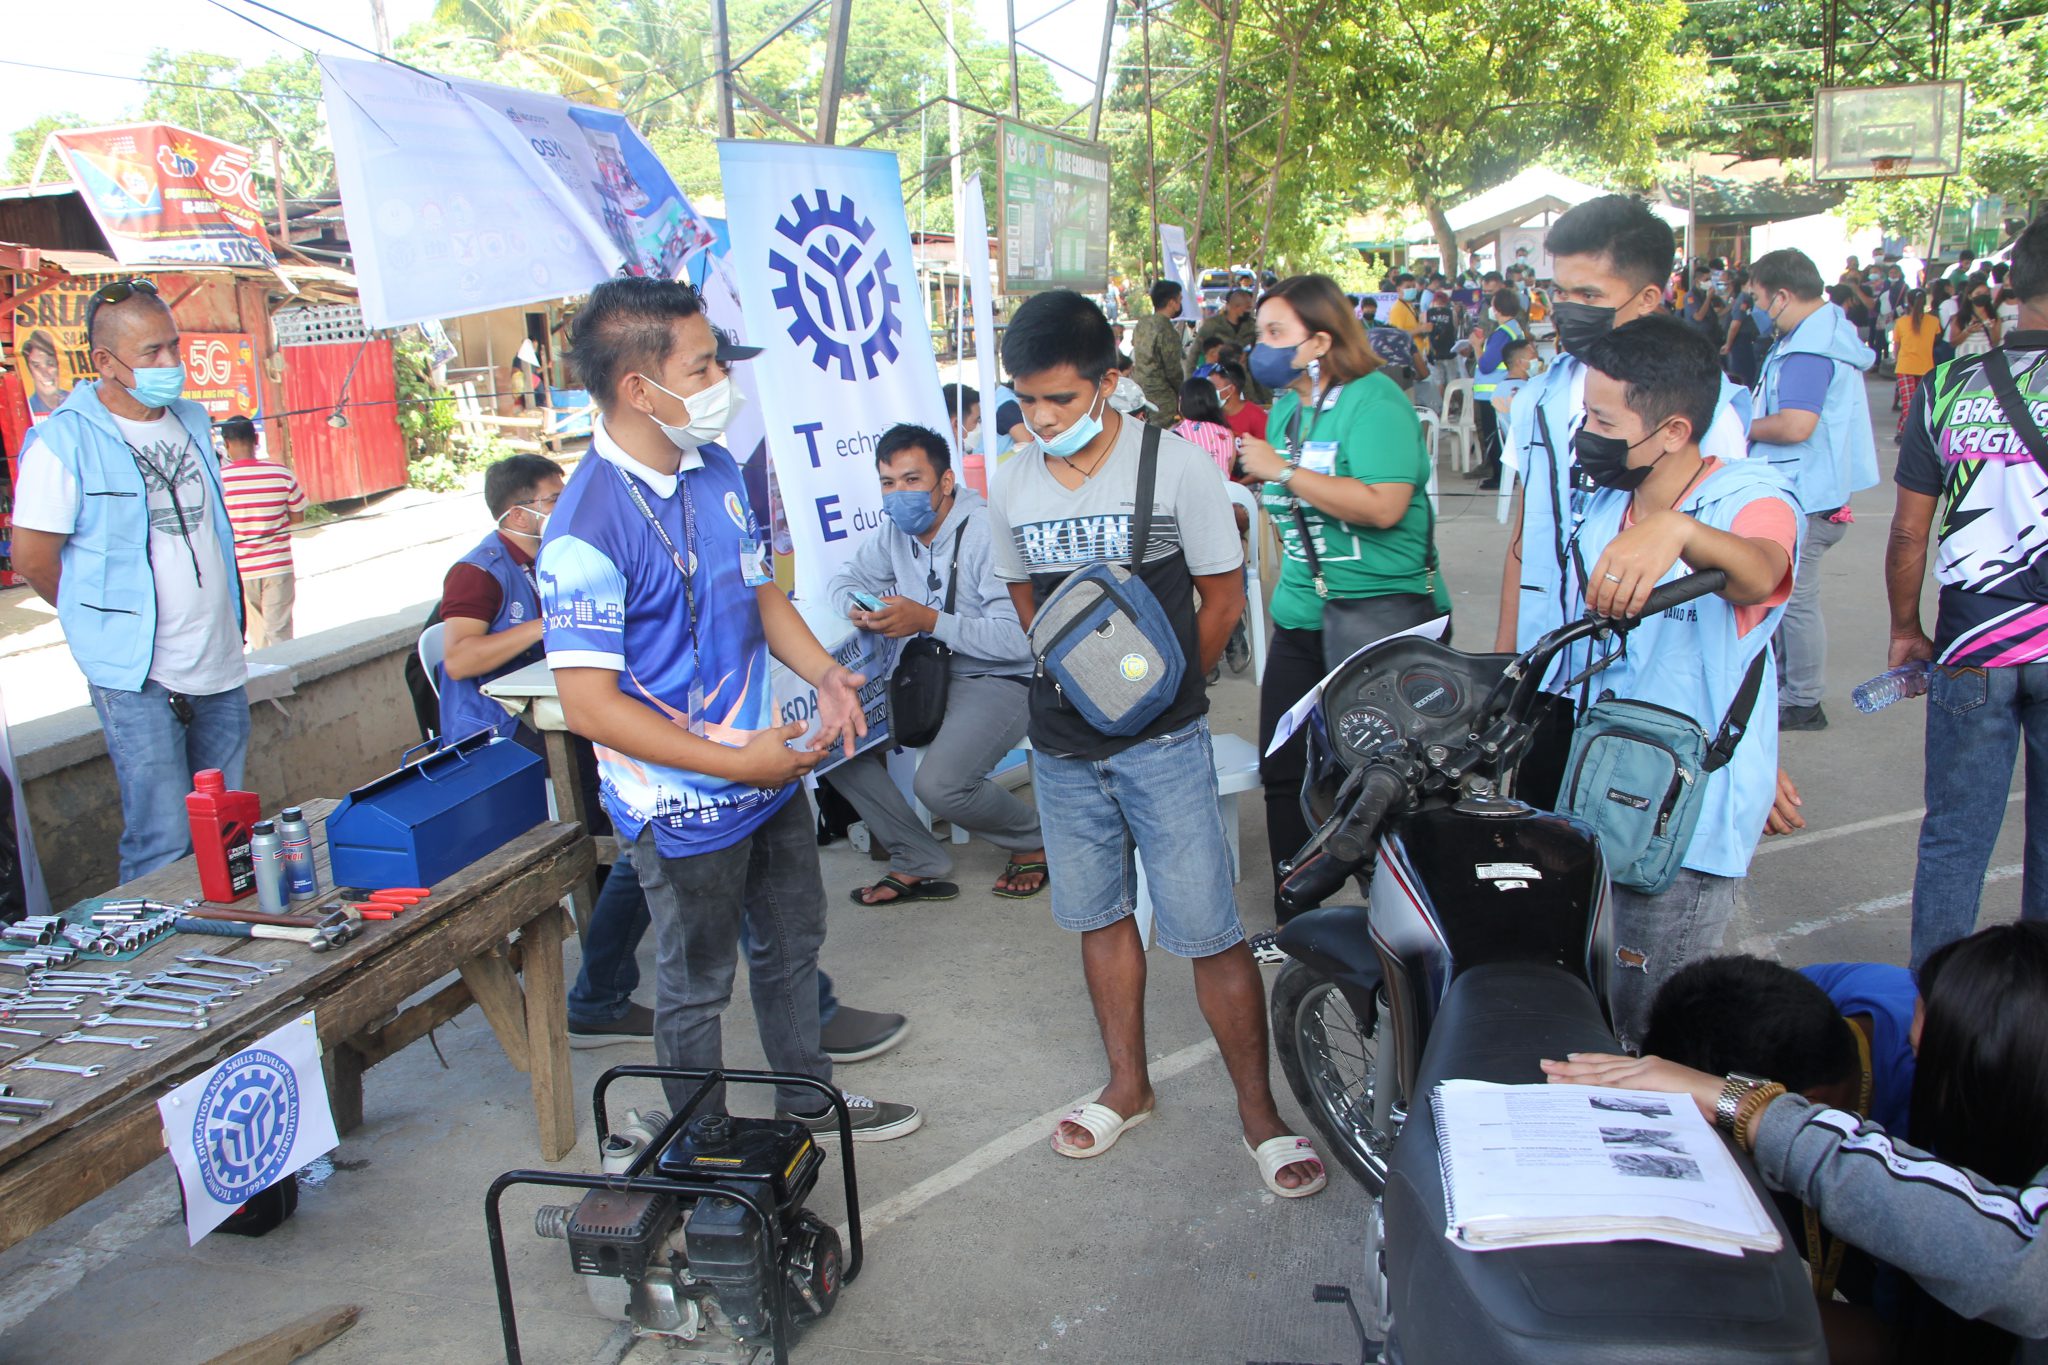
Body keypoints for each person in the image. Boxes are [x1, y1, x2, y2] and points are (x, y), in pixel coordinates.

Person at [538, 276, 921, 1138]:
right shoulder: (583, 531)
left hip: (768, 767)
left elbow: (759, 594)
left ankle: (810, 1098)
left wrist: (824, 671)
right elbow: (588, 706)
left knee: (791, 950)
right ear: (640, 387)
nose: (723, 384)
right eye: (703, 366)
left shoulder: (714, 469)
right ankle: (701, 1139)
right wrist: (734, 761)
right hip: (680, 801)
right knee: (697, 980)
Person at [986, 288, 1324, 1197]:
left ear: (1107, 383)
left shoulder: (1174, 468)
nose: (1042, 417)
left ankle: (1261, 1115)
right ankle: (1125, 1085)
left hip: (1165, 742)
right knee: (1099, 919)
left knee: (1208, 929)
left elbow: (1219, 599)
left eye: (1060, 397)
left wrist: (1161, 693)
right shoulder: (1009, 480)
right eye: (1026, 399)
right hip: (1059, 747)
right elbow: (1033, 612)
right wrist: (1087, 696)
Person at [1546, 921, 2048, 1362]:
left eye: (1928, 1060)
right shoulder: (1849, 996)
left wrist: (1749, 1108)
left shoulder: (1940, 1155)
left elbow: (1943, 1313)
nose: (1916, 1059)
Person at [1534, 314, 1799, 1046]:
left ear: (1675, 430)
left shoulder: (1750, 497)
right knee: (1598, 1004)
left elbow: (1762, 571)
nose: (1586, 430)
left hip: (1686, 820)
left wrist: (1680, 532)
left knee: (1653, 1029)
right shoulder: (1604, 507)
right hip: (1603, 790)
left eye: (1602, 418)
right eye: (1584, 413)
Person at [11, 277, 248, 882]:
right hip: (135, 674)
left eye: (174, 346)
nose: (172, 363)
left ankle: (229, 968)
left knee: (228, 834)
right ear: (104, 362)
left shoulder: (193, 421)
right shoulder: (63, 442)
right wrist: (103, 624)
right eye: (152, 353)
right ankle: (153, 971)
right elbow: (34, 560)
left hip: (217, 660)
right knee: (162, 841)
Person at [1234, 274, 1446, 931]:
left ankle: (1411, 917)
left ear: (1321, 340)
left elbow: (1384, 504)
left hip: (1382, 617)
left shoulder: (1375, 400)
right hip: (1304, 615)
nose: (1260, 347)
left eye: (1276, 334)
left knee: (1391, 777)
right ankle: (1295, 916)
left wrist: (1284, 471)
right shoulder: (1288, 410)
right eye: (1258, 333)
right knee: (1284, 768)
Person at [437, 453, 662, 1048]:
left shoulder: (559, 558)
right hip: (505, 738)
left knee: (639, 806)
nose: (563, 508)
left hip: (559, 714)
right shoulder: (479, 573)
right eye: (550, 500)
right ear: (517, 510)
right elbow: (457, 658)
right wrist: (547, 624)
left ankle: (609, 969)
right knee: (638, 817)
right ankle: (603, 984)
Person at [1890, 214, 2048, 969]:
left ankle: (1934, 1008)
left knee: (1954, 832)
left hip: (1969, 641)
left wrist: (1904, 627)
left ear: (2012, 287)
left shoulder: (1950, 384)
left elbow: (1909, 532)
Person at [825, 423, 1045, 905]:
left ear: (945, 482)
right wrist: (857, 607)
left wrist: (928, 619)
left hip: (998, 677)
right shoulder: (895, 532)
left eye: (911, 480)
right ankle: (916, 853)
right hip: (926, 672)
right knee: (829, 738)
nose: (898, 495)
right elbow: (844, 579)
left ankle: (1036, 837)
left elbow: (1020, 640)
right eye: (887, 483)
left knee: (940, 786)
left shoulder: (987, 530)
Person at [1745, 248, 1879, 733]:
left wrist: (1739, 424)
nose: (1757, 309)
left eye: (1759, 299)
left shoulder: (1809, 348)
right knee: (1792, 598)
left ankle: (1802, 699)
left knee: (1793, 601)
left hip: (1805, 494)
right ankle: (1793, 691)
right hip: (1818, 490)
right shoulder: (1825, 334)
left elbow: (1797, 425)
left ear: (1781, 295)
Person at [218, 416, 306, 649]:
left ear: (226, 443)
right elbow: (298, 516)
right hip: (278, 565)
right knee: (279, 632)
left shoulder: (219, 480)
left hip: (241, 570)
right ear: (256, 439)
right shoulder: (280, 473)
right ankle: (287, 679)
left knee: (257, 637)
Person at [1470, 287, 1527, 489]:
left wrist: (1477, 346)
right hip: (1504, 389)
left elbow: (1486, 365)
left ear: (1498, 308)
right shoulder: (1514, 328)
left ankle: (1499, 476)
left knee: (1493, 435)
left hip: (1492, 393)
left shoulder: (1502, 333)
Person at [1131, 280, 1189, 425]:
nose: (1180, 304)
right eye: (1179, 300)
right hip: (1161, 398)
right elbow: (1173, 371)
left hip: (1139, 392)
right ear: (1171, 303)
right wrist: (1182, 392)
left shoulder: (1142, 323)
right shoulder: (1168, 330)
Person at [1192, 288, 1260, 399]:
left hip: (1244, 379)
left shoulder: (1251, 326)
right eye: (1247, 308)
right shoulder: (1213, 325)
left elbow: (1257, 355)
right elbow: (1194, 353)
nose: (1250, 311)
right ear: (1236, 307)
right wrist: (1191, 384)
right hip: (1219, 380)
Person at [1891, 289, 1941, 439]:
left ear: (1908, 302)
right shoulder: (1934, 321)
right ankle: (1906, 434)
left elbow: (1896, 347)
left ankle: (1902, 431)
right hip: (1926, 367)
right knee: (1919, 405)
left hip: (1905, 366)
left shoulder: (1901, 322)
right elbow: (1935, 341)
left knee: (1909, 405)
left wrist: (1897, 360)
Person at [1173, 378, 1238, 478]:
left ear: (1181, 401)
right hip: (1223, 491)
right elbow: (1228, 469)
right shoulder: (1227, 433)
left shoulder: (1176, 434)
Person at [1208, 358, 1268, 442]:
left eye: (1214, 386)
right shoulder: (1209, 415)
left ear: (1231, 389)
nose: (1209, 390)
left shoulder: (1257, 417)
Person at [19, 329, 69, 419]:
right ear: (30, 370)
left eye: (50, 363)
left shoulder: (74, 400)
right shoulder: (27, 408)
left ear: (58, 365)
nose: (45, 373)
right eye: (37, 366)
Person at [1486, 336, 1537, 418]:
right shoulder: (1528, 390)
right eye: (1532, 358)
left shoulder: (1498, 390)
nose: (1537, 360)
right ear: (1520, 362)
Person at [1722, 287, 1763, 389]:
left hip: (1740, 341)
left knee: (1739, 375)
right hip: (1745, 340)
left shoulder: (1744, 298)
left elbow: (1735, 324)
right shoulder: (1744, 298)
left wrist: (1728, 344)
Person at [1952, 289, 2002, 358]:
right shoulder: (1960, 316)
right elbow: (1953, 343)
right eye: (1978, 293)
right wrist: (1967, 332)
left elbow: (1996, 343)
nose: (1982, 296)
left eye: (1986, 293)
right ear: (1970, 296)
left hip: (1987, 354)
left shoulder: (1993, 315)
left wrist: (1991, 329)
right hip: (1965, 355)